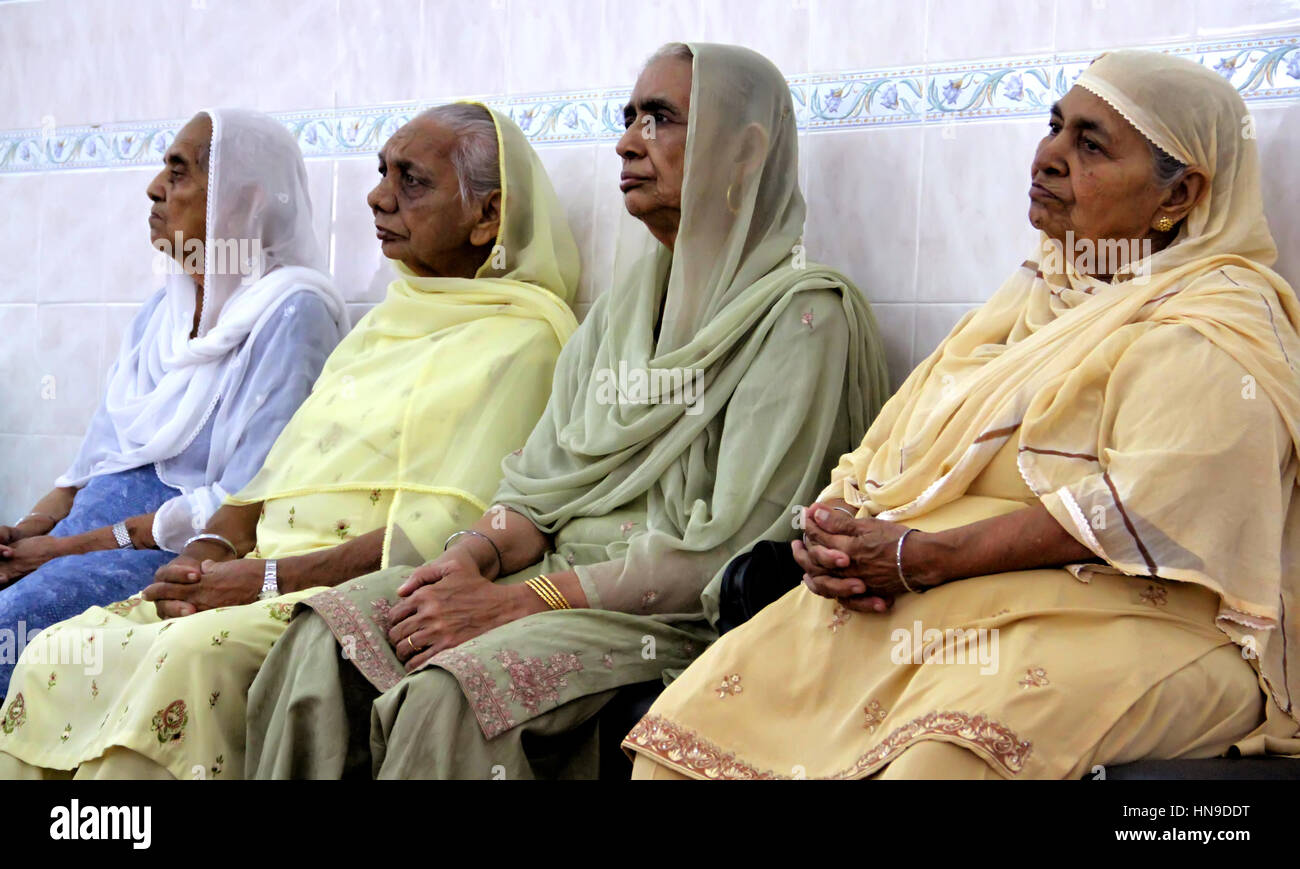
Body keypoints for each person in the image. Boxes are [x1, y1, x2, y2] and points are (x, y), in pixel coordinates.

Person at [626, 49, 1300, 780]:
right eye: (1054, 127)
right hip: (943, 598)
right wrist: (832, 529)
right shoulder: (1034, 298)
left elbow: (1154, 510)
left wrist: (925, 557)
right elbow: (893, 446)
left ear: (1182, 194)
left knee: (940, 757)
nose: (1047, 156)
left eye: (1091, 144)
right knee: (689, 734)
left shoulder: (1218, 319)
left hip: (1143, 615)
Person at [245, 42, 889, 779]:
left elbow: (731, 552)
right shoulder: (619, 315)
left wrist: (524, 601)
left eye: (660, 119)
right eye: (628, 117)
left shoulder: (803, 319)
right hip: (547, 579)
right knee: (325, 637)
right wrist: (466, 563)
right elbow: (533, 489)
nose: (626, 141)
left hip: (660, 621)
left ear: (743, 154)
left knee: (455, 694)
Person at [0, 103, 580, 779]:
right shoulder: (384, 323)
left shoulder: (525, 338)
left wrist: (265, 577)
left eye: (412, 181)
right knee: (57, 651)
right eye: (380, 172)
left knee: (184, 656)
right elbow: (266, 480)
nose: (377, 194)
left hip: (343, 587)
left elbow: (446, 532)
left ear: (488, 217)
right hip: (253, 568)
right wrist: (209, 557)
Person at [0, 109, 346, 696]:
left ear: (244, 200)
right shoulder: (161, 313)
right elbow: (90, 465)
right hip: (72, 542)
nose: (154, 188)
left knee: (12, 627)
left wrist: (57, 550)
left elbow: (248, 498)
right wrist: (25, 534)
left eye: (178, 173)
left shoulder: (292, 316)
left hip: (169, 553)